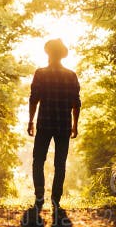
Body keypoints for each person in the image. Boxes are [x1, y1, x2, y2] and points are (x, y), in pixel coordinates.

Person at [27, 38, 81, 216]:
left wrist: (31, 121)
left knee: (38, 160)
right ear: (62, 54)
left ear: (48, 53)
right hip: (63, 125)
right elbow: (76, 103)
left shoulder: (41, 73)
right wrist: (75, 125)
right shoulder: (71, 75)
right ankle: (56, 199)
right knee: (60, 163)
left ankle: (39, 196)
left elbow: (34, 99)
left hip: (44, 123)